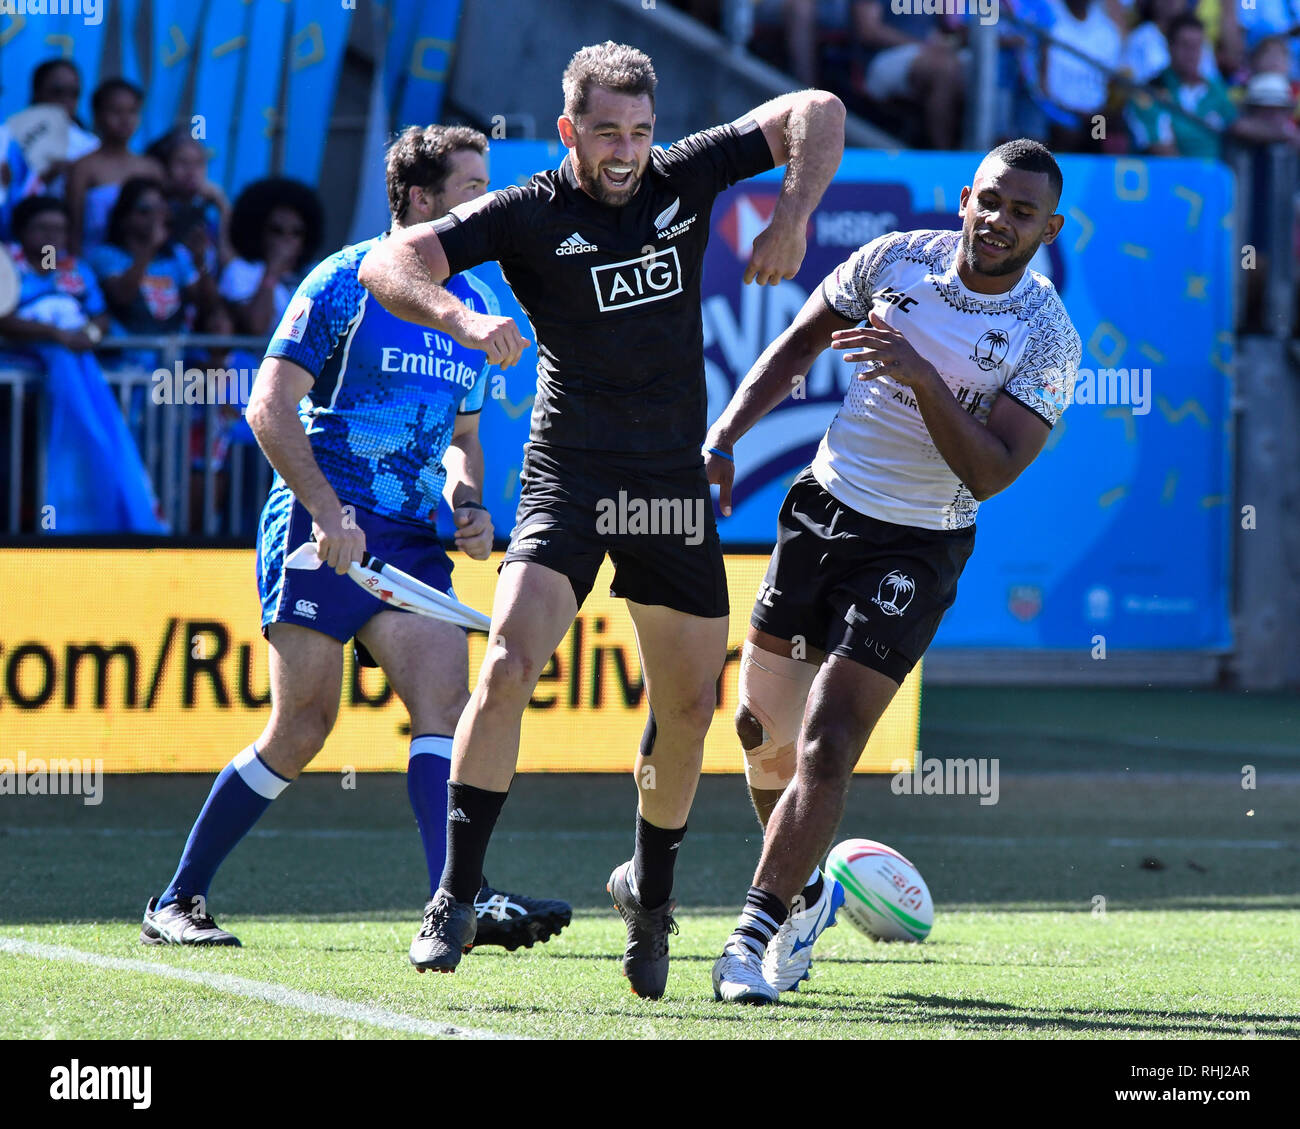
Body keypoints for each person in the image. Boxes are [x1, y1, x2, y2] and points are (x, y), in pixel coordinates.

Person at [357, 40, 845, 998]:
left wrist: (792, 215)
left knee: (691, 708)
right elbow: (392, 260)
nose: (626, 151)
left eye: (640, 130)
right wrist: (461, 319)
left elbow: (816, 108)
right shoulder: (528, 210)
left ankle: (651, 902)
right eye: (606, 132)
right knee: (506, 661)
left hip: (667, 477)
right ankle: (452, 896)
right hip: (569, 472)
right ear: (568, 130)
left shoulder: (686, 171)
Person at [140, 125, 571, 956]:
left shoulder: (474, 306)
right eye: (471, 186)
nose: (487, 203)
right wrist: (327, 510)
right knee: (303, 726)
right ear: (418, 199)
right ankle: (178, 898)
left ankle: (459, 896)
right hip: (317, 522)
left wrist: (469, 503)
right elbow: (266, 407)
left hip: (408, 539)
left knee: (446, 702)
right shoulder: (342, 279)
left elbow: (460, 440)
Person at [705, 139, 1081, 1003]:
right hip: (821, 511)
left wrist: (918, 376)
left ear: (1048, 226)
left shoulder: (1048, 336)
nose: (1000, 221)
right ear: (964, 199)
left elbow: (988, 472)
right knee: (761, 735)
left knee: (828, 742)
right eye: (990, 201)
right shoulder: (892, 259)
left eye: (1022, 212)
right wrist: (722, 438)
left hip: (918, 544)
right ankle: (803, 900)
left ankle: (747, 938)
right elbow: (799, 345)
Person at [0, 195, 164, 533]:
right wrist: (56, 335)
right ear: (21, 232)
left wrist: (87, 333)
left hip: (74, 386)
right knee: (14, 465)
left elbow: (99, 316)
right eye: (43, 228)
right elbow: (3, 319)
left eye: (60, 229)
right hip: (14, 396)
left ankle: (82, 525)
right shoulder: (8, 266)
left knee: (74, 451)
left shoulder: (75, 269)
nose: (52, 236)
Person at [65, 79, 161, 256]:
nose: (125, 120)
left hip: (143, 263)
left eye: (132, 111)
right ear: (97, 115)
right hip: (93, 260)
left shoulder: (151, 168)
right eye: (116, 111)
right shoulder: (83, 168)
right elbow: (73, 229)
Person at [220, 177, 323, 336]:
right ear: (259, 231)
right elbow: (256, 327)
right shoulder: (240, 271)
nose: (287, 239)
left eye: (297, 232)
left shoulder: (317, 273)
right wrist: (273, 270)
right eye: (277, 231)